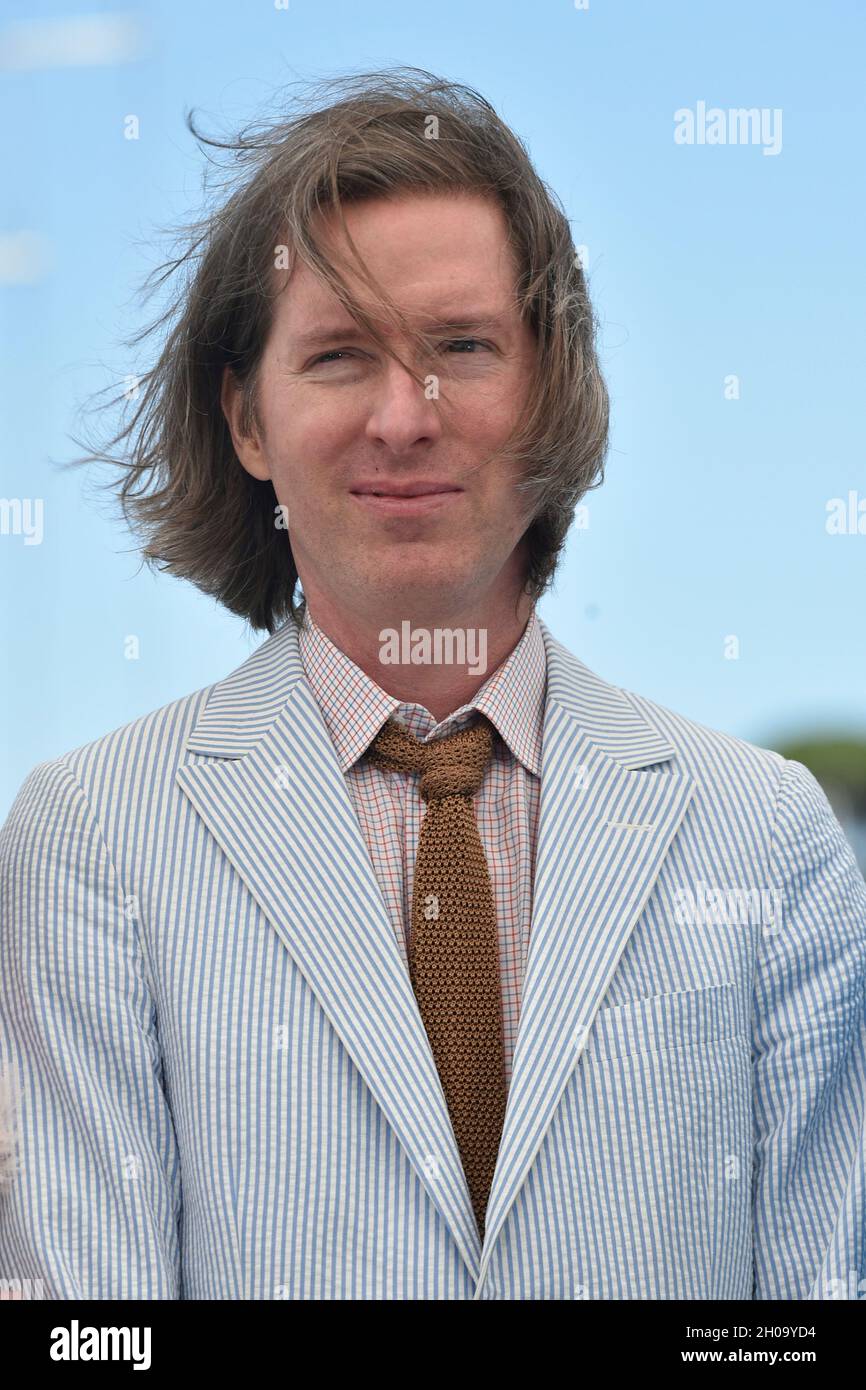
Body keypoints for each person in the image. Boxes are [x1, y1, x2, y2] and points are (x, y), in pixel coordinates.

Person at [1, 68, 864, 1301]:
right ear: (245, 420)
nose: (405, 420)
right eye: (340, 356)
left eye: (460, 346)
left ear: (549, 391)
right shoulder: (92, 841)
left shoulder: (769, 841)